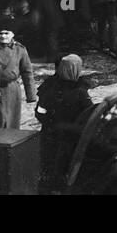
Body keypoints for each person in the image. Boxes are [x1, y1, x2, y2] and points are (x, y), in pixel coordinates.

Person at [35, 54, 92, 191]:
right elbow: (90, 115)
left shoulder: (48, 86)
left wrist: (51, 124)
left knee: (49, 169)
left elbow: (40, 112)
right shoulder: (80, 92)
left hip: (49, 135)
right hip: (72, 139)